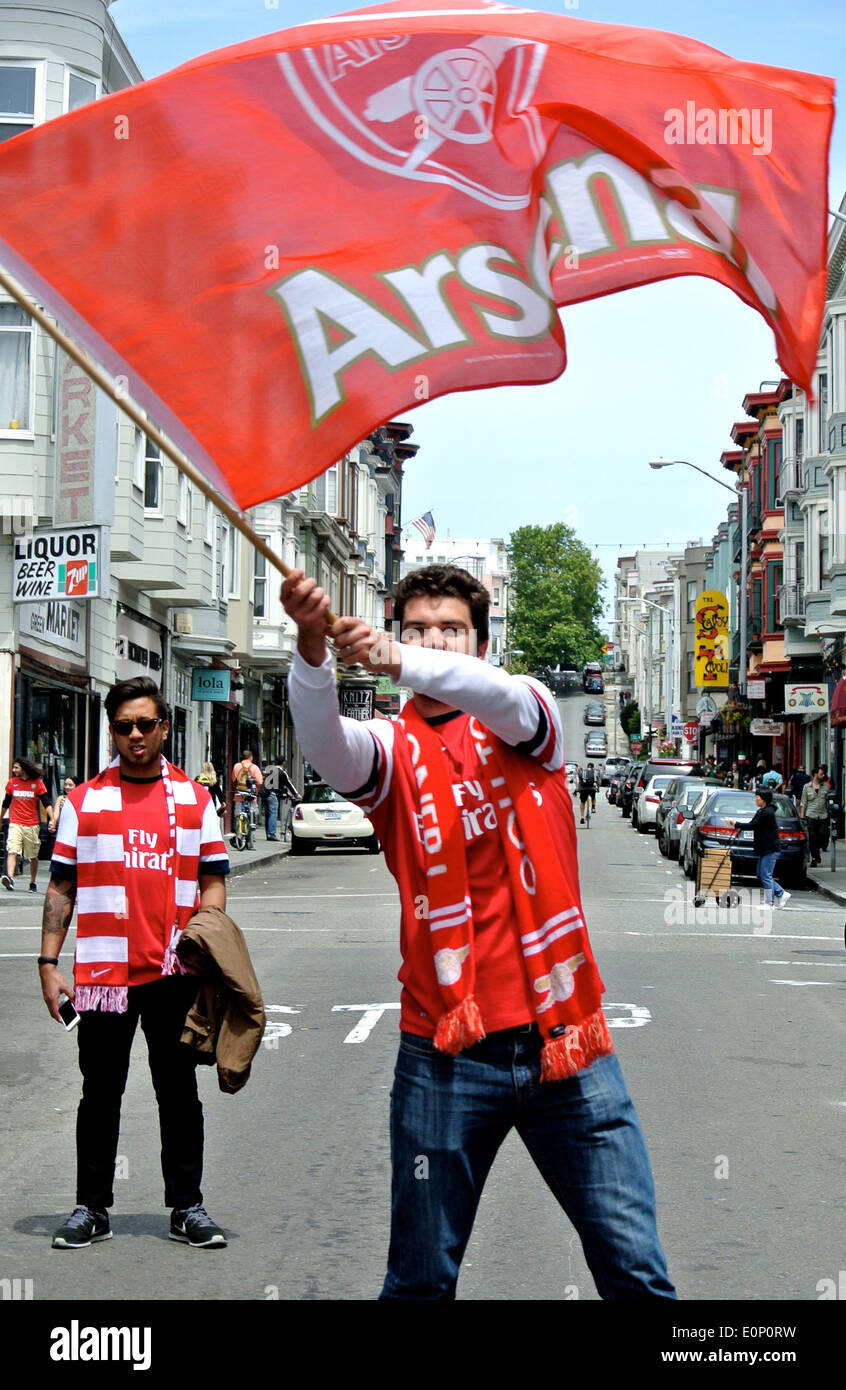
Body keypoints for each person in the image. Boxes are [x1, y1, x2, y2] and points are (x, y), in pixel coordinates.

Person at [281, 563, 675, 1301]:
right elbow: (325, 748)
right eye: (417, 629)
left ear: (483, 643)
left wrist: (400, 657)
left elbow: (495, 694)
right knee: (420, 1283)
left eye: (451, 630)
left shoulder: (530, 719)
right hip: (446, 1051)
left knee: (635, 1273)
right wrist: (310, 646)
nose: (432, 641)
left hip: (566, 1045)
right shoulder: (391, 753)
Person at [40, 676, 231, 1250]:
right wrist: (49, 964)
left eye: (146, 724)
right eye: (123, 726)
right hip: (102, 979)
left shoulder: (195, 800)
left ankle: (187, 1208)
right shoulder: (83, 802)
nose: (135, 735)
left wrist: (205, 942)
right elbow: (60, 887)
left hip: (175, 974)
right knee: (100, 1094)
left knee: (178, 1096)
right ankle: (91, 1207)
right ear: (112, 731)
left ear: (164, 727)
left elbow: (213, 880)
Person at [728, 788, 789, 908]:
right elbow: (752, 824)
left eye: (758, 798)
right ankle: (781, 893)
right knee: (761, 874)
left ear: (764, 799)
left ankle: (769, 902)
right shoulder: (762, 811)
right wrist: (736, 824)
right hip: (765, 848)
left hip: (770, 848)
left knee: (765, 875)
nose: (756, 799)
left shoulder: (767, 813)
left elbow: (753, 825)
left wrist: (735, 824)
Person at [2, 755, 54, 893]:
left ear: (23, 769)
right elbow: (6, 803)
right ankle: (10, 878)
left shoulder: (37, 783)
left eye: (16, 768)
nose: (13, 770)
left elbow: (46, 802)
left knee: (32, 857)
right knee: (12, 850)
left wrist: (53, 819)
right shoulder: (12, 783)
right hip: (15, 823)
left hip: (31, 824)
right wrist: (1, 818)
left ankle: (32, 882)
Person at [262, 757, 300, 841]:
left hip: (264, 794)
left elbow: (274, 783)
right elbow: (289, 784)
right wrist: (296, 794)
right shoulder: (282, 772)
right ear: (283, 763)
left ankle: (268, 833)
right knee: (273, 814)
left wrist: (285, 792)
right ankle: (271, 834)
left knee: (267, 814)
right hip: (272, 794)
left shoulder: (270, 770)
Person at [800, 766, 831, 866]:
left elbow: (828, 801)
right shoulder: (807, 787)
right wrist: (802, 816)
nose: (823, 776)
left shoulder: (826, 786)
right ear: (815, 775)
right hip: (811, 815)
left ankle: (817, 851)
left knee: (822, 836)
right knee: (812, 837)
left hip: (823, 816)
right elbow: (803, 803)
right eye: (821, 774)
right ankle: (814, 857)